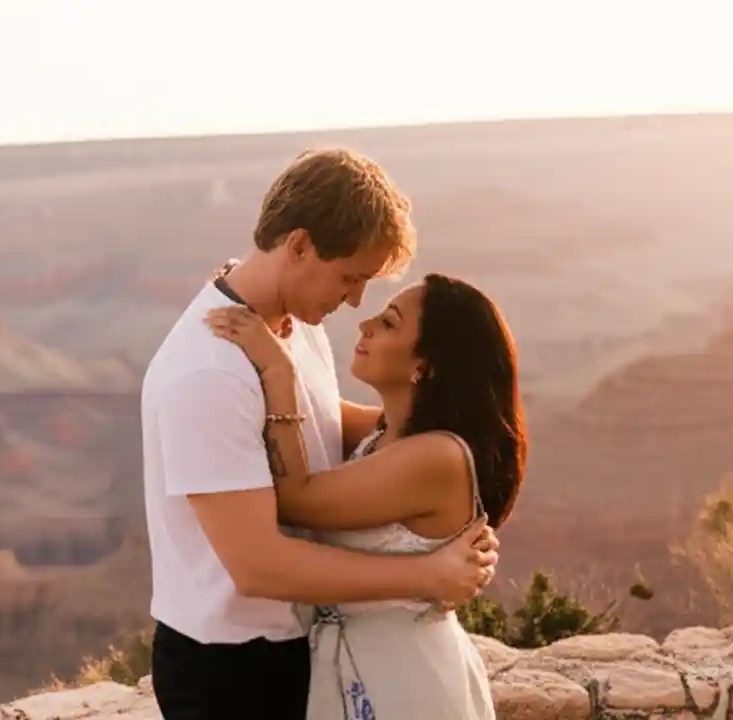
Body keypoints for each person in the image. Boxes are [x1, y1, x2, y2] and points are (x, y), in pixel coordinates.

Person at [140, 148, 500, 720]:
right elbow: (259, 566)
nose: (356, 300)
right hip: (231, 671)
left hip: (297, 648)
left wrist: (445, 455)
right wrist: (427, 574)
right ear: (300, 245)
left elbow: (322, 423)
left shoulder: (288, 325)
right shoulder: (209, 373)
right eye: (350, 277)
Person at [205, 272, 526, 719]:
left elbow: (297, 496)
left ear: (425, 366)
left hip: (406, 680)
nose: (365, 324)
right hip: (362, 666)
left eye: (389, 323)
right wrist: (257, 286)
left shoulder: (437, 456)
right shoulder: (389, 431)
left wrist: (278, 369)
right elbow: (313, 417)